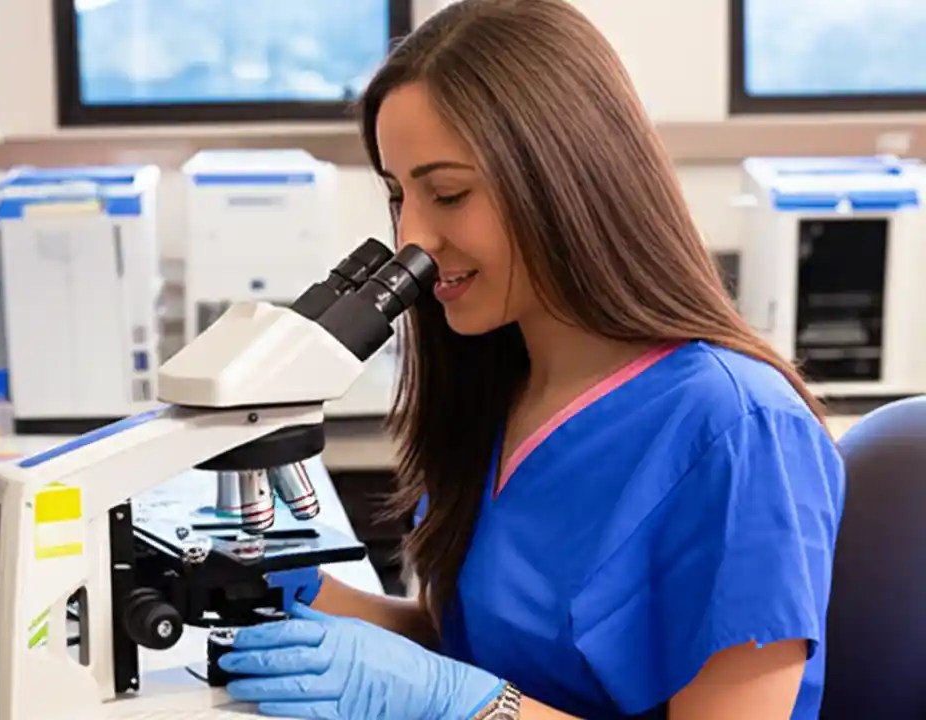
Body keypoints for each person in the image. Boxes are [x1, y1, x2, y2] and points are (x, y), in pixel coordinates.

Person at [215, 1, 846, 719]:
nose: (413, 239)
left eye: (449, 194)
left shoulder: (738, 429)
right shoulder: (502, 386)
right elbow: (479, 650)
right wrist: (301, 596)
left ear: (566, 178)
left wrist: (470, 705)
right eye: (399, 195)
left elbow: (473, 689)